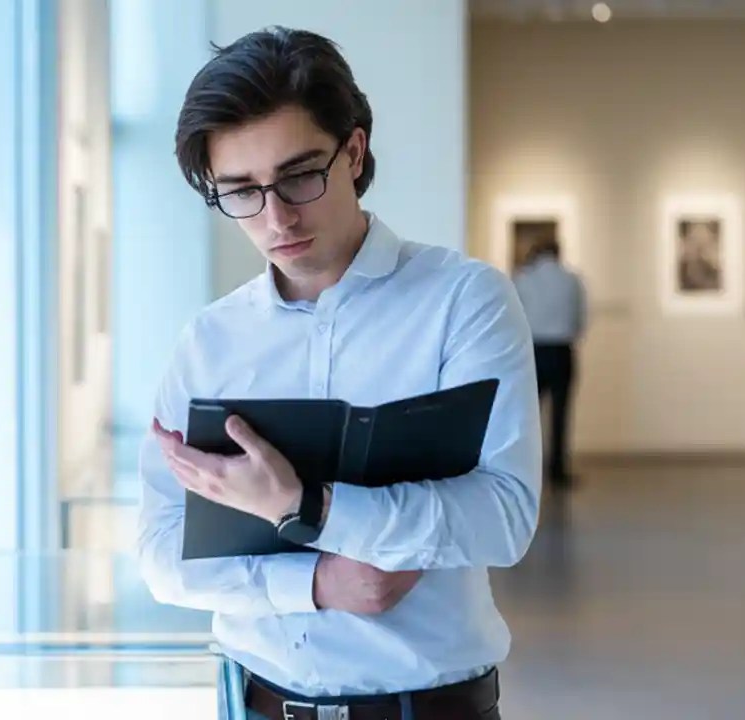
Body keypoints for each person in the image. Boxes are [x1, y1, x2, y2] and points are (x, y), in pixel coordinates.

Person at [137, 27, 543, 720]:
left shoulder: (462, 301)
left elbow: (504, 518)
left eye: (299, 176)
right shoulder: (209, 341)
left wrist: (308, 507)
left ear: (353, 151)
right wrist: (318, 582)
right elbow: (159, 554)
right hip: (256, 704)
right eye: (240, 191)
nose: (276, 217)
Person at [513, 235, 585, 489]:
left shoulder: (522, 279)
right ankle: (558, 469)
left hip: (532, 350)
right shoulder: (572, 279)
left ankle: (526, 471)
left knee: (528, 415)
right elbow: (580, 319)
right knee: (561, 413)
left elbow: (514, 317)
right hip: (562, 349)